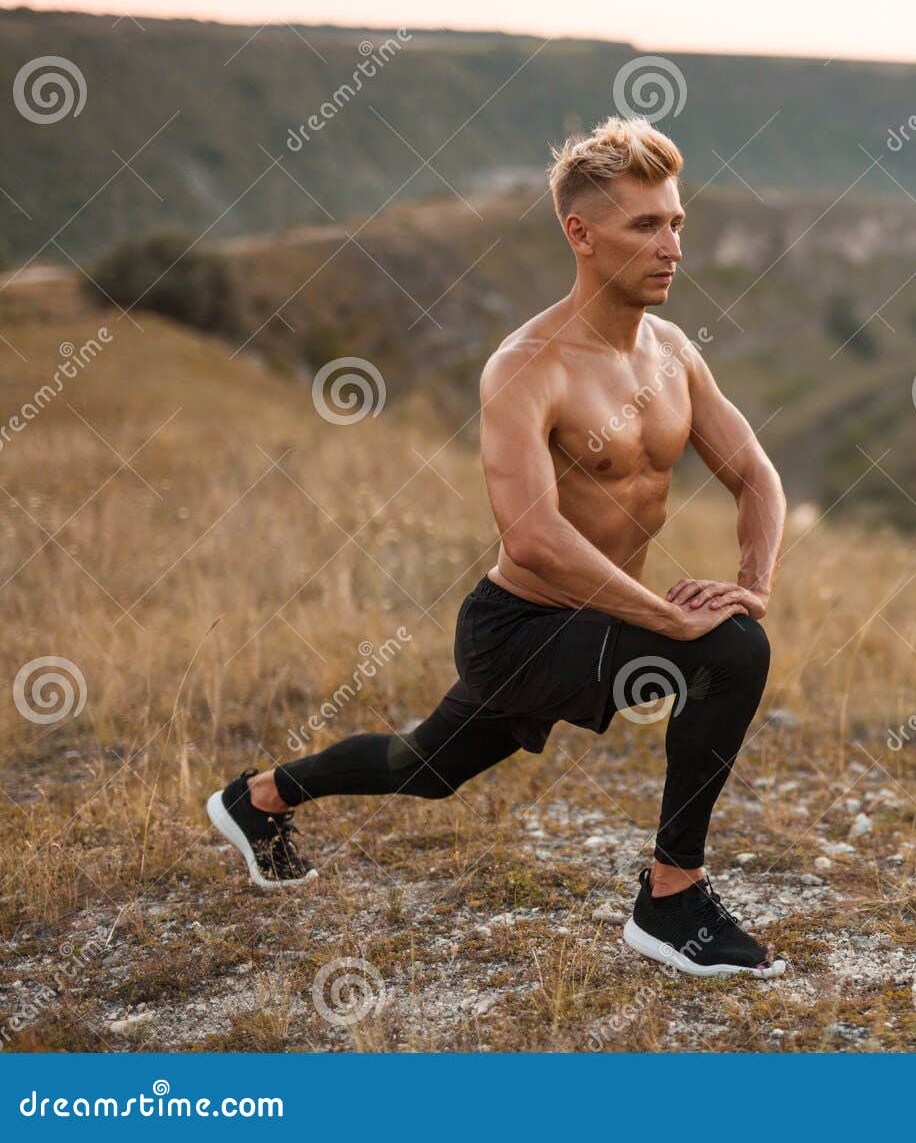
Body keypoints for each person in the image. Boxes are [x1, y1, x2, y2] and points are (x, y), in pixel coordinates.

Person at [206, 116, 787, 979]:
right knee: (729, 654)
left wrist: (753, 584)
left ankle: (257, 797)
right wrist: (670, 618)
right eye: (645, 226)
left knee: (425, 766)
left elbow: (756, 476)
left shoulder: (673, 354)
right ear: (580, 234)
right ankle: (671, 901)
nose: (672, 247)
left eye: (676, 223)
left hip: (598, 623)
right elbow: (535, 537)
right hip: (518, 630)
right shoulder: (528, 365)